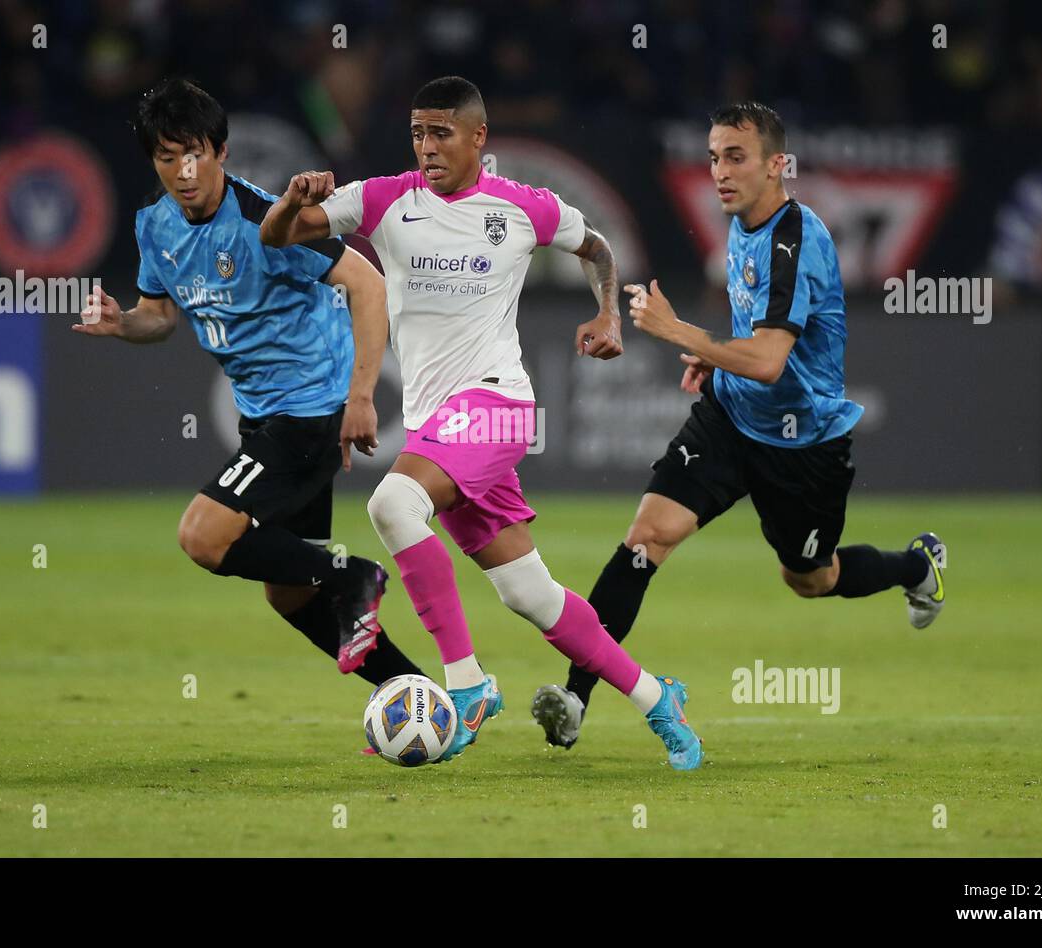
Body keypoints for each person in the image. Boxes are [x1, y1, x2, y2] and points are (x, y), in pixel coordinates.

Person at [260, 76, 703, 769]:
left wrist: (609, 312)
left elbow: (597, 249)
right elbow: (279, 238)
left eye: (441, 133)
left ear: (477, 138)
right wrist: (292, 202)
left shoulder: (520, 208)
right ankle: (657, 698)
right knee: (530, 593)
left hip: (497, 407)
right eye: (417, 132)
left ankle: (466, 686)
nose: (427, 147)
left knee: (393, 503)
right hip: (442, 426)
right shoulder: (382, 199)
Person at [533, 102, 946, 750]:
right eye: (714, 157)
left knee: (812, 578)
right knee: (646, 538)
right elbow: (752, 347)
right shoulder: (742, 223)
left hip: (803, 444)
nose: (720, 172)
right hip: (730, 417)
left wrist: (680, 333)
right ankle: (574, 700)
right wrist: (710, 356)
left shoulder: (797, 240)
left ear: (778, 165)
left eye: (736, 157)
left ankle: (915, 567)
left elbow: (771, 358)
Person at [74, 78, 429, 707]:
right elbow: (159, 315)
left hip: (311, 412)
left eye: (195, 154)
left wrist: (361, 397)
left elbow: (368, 285)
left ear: (221, 152)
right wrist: (124, 324)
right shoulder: (154, 225)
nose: (183, 172)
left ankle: (356, 576)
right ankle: (417, 693)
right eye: (166, 157)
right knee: (288, 591)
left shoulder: (268, 223)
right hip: (262, 419)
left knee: (203, 537)